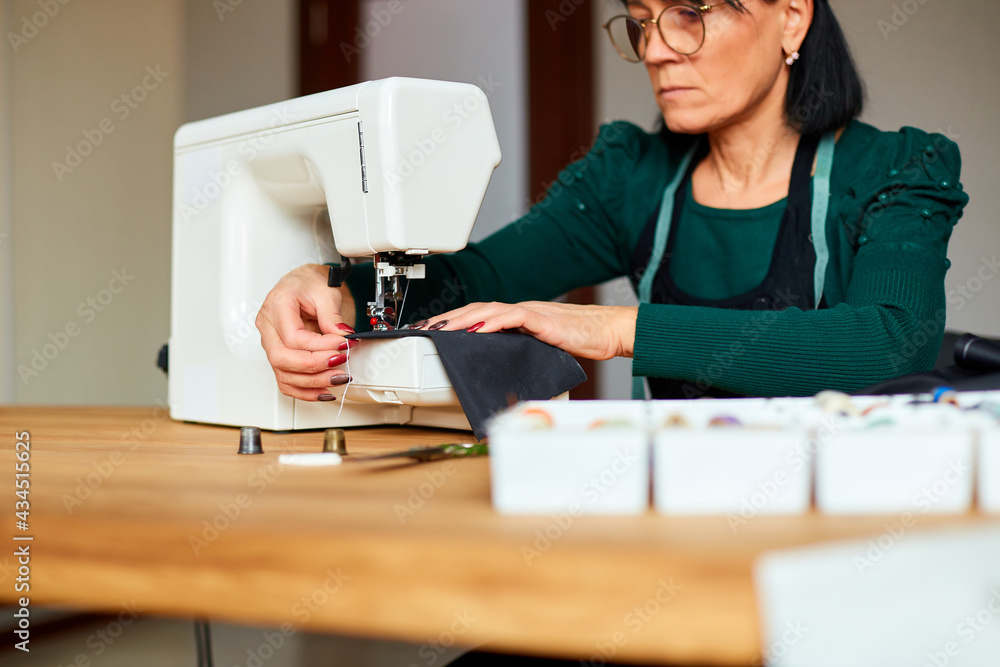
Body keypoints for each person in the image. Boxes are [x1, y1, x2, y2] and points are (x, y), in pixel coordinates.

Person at [256, 0, 969, 408]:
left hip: (830, 536)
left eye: (688, 14)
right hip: (668, 523)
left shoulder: (897, 167)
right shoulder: (628, 175)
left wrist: (618, 329)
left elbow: (887, 342)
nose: (657, 49)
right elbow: (470, 285)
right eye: (641, 20)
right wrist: (329, 290)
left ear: (790, 17)